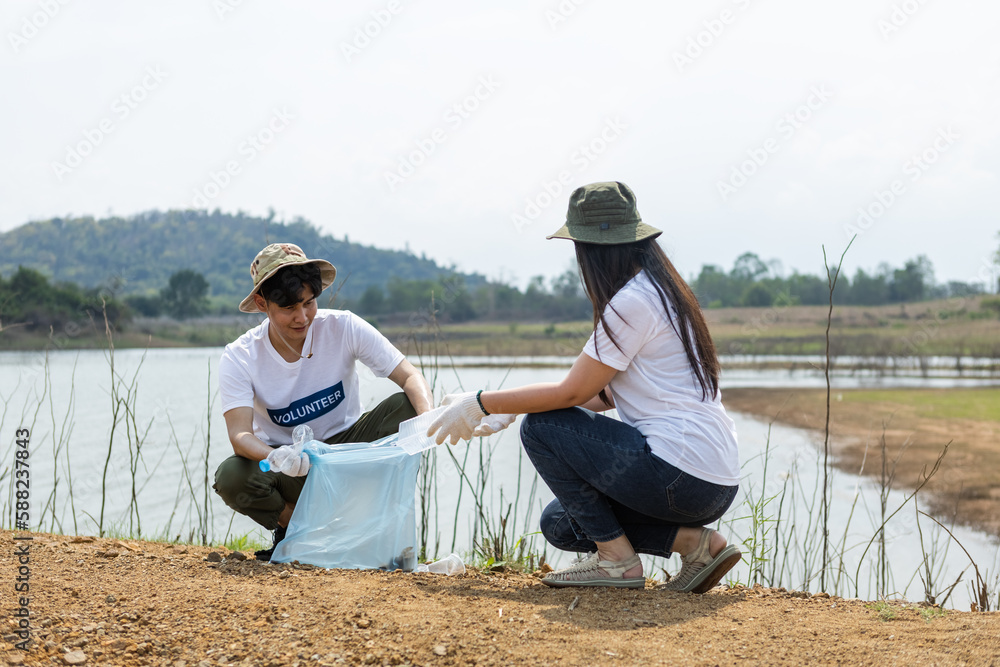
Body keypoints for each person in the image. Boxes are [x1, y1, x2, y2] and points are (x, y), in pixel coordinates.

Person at [428, 182, 741, 591]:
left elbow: (571, 394)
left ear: (591, 249)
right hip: (714, 484)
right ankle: (699, 545)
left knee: (542, 428)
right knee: (561, 524)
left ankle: (617, 563)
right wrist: (514, 407)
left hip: (679, 477)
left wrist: (481, 403)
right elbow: (608, 395)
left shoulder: (632, 302)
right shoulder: (665, 293)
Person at [213, 243, 432, 560]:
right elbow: (240, 435)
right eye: (288, 308)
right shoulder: (240, 356)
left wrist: (429, 420)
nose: (302, 317)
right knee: (232, 476)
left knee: (407, 407)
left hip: (350, 455)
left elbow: (410, 376)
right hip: (294, 468)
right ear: (262, 303)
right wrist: (277, 457)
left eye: (309, 303)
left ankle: (376, 523)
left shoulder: (343, 327)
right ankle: (298, 532)